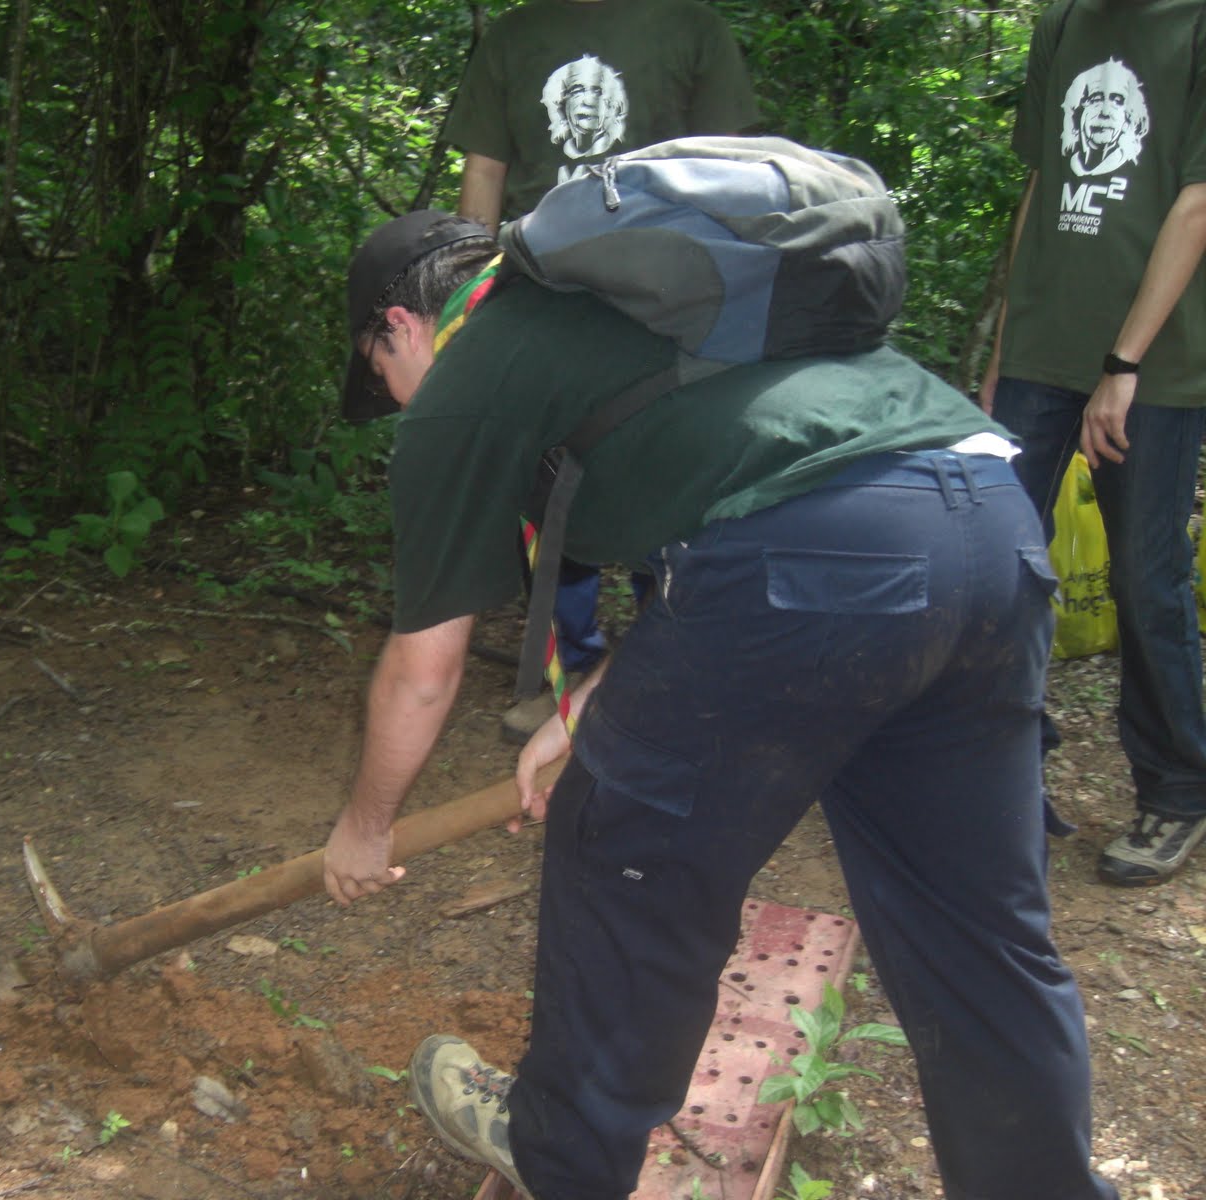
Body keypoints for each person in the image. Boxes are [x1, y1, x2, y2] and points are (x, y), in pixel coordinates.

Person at [324, 208, 1115, 1200]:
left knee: (620, 850)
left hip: (816, 561)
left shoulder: (469, 372)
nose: (398, 405)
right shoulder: (630, 309)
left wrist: (364, 829)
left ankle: (560, 1152)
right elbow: (721, 493)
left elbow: (423, 668)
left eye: (380, 378)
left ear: (397, 325)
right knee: (976, 930)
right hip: (984, 522)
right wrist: (593, 706)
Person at [442, 0, 761, 741]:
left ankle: (665, 662)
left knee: (671, 483)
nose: (586, 107)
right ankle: (562, 674)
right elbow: (484, 173)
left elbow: (730, 167)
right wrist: (469, 297)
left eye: (598, 97)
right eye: (573, 98)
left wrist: (733, 295)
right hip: (542, 301)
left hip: (663, 305)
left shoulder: (689, 26)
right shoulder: (516, 36)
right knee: (548, 491)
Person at [980, 0, 1206, 886]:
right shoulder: (1065, 21)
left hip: (1156, 363)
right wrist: (1006, 346)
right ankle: (1005, 762)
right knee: (994, 557)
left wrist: (1125, 362)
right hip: (1044, 352)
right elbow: (1041, 186)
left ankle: (1179, 788)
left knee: (1145, 579)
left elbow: (1196, 202)